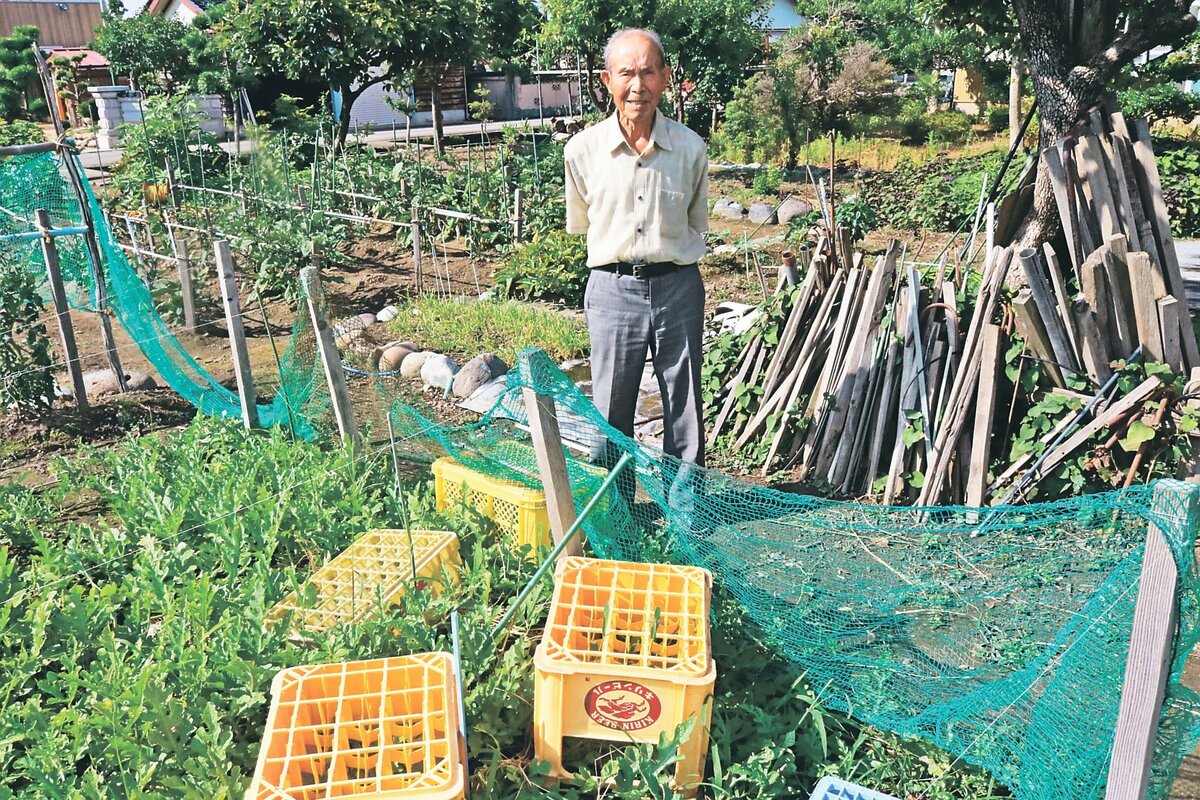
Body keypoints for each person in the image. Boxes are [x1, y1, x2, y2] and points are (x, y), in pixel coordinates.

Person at [564, 27, 709, 470]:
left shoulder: (690, 147)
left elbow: (694, 224)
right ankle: (620, 521)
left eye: (648, 72)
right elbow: (583, 223)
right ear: (606, 80)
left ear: (665, 77)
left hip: (678, 287)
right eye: (626, 73)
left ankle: (687, 517)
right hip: (612, 289)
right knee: (610, 410)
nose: (637, 85)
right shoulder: (582, 151)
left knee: (684, 409)